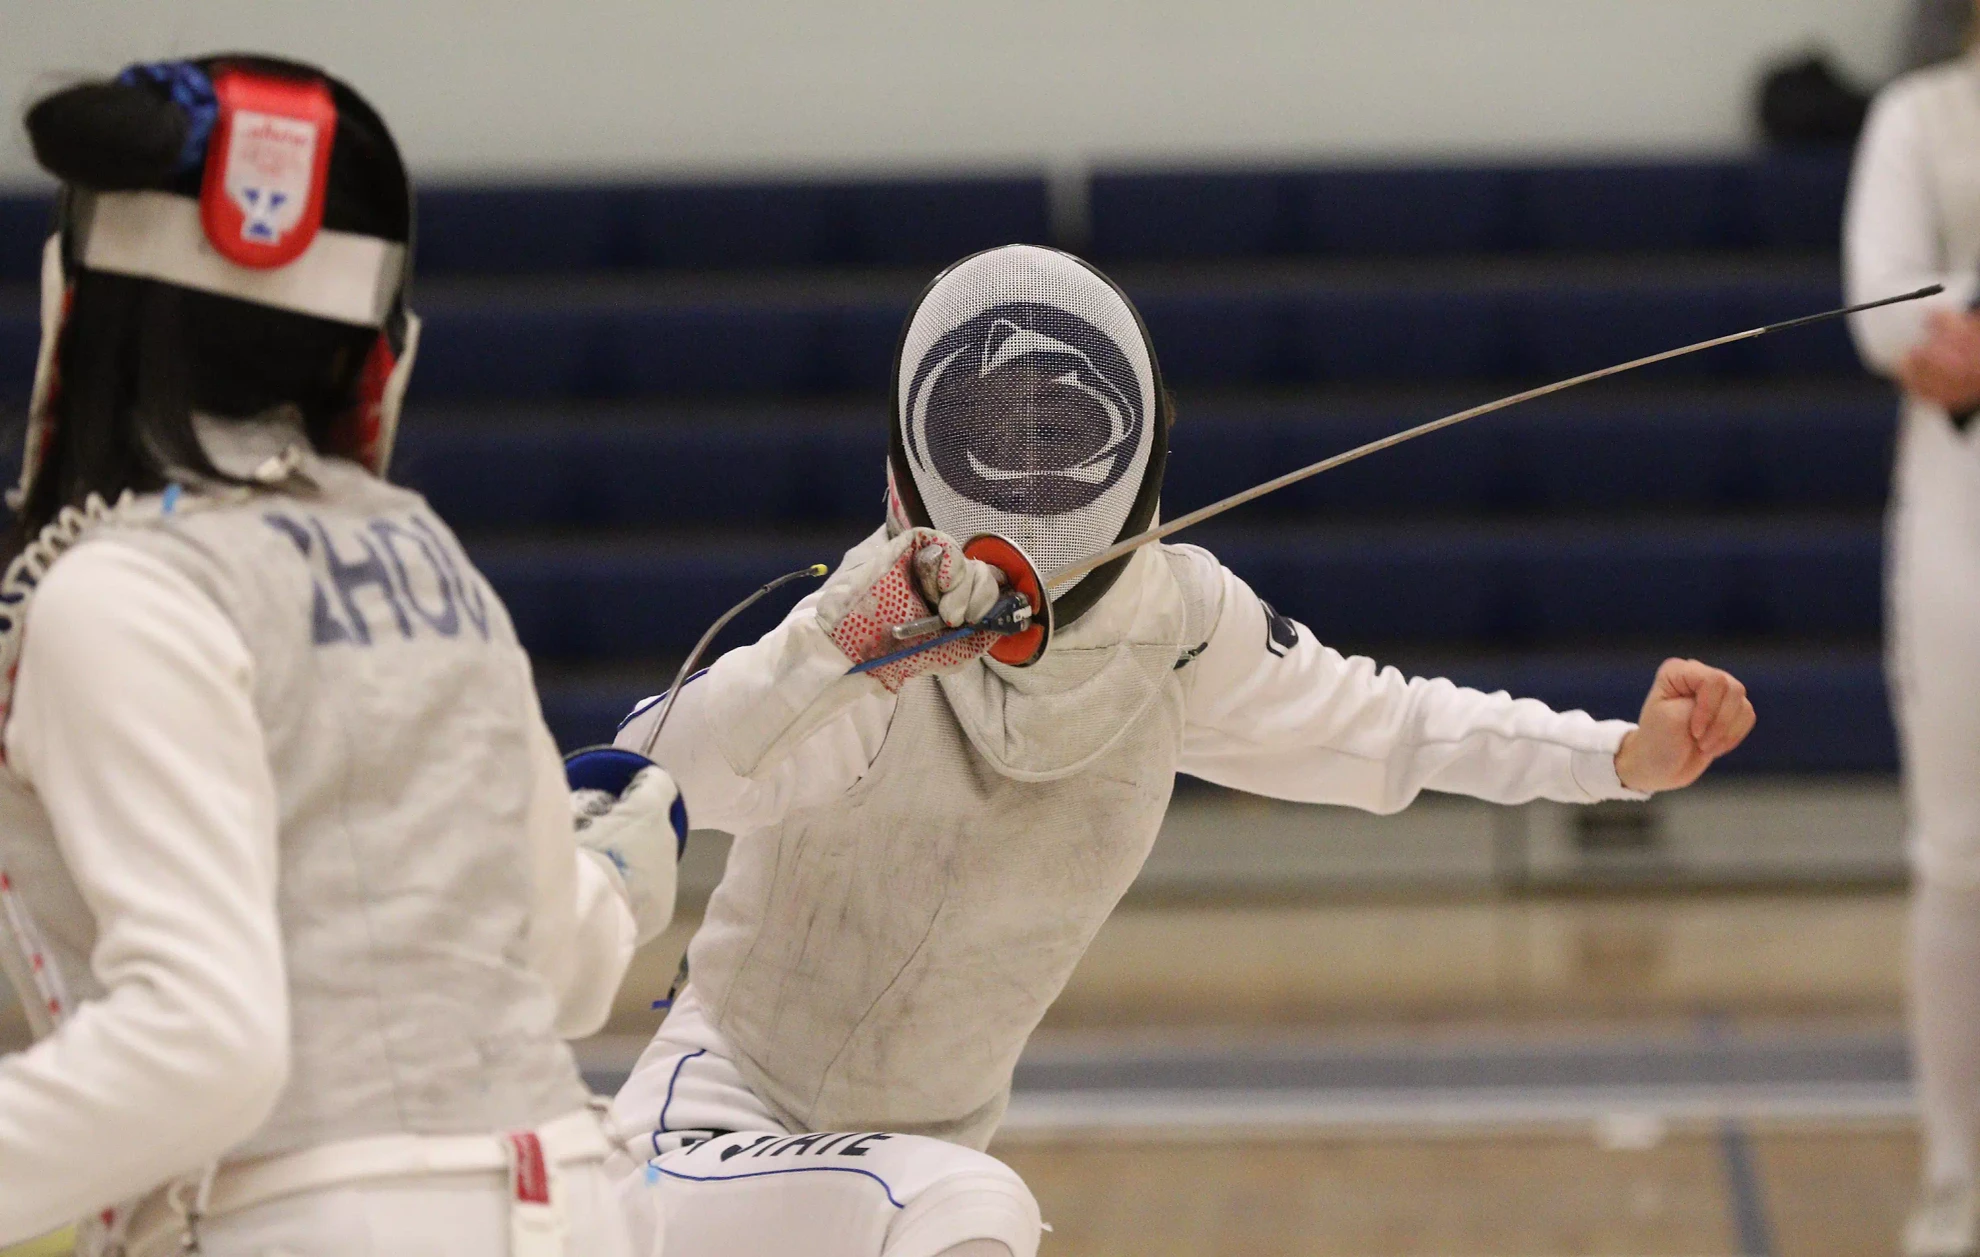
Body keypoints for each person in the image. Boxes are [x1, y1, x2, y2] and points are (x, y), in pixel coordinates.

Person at [603, 244, 1758, 1257]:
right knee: (967, 1207)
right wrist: (829, 654)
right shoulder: (875, 633)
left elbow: (1392, 729)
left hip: (902, 1184)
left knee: (956, 1200)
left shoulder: (1183, 631)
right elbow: (642, 783)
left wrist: (1614, 758)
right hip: (713, 1148)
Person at [0, 57, 681, 1257]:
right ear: (368, 349)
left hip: (322, 1220)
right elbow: (558, 962)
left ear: (85, 311)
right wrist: (617, 875)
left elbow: (204, 1041)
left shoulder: (121, 589)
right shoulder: (425, 556)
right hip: (575, 1203)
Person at [1846, 19, 1980, 1256]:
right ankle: (1958, 1169)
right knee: (1959, 858)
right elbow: (1894, 310)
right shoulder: (1919, 119)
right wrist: (1943, 329)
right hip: (1960, 533)